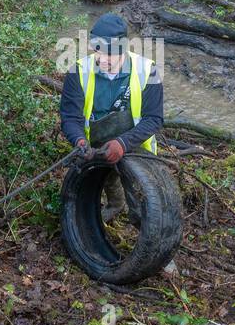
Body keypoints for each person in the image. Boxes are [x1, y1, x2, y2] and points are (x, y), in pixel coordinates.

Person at [59, 13, 164, 221]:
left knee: (140, 197)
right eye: (99, 51)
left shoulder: (148, 70)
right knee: (106, 180)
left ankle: (137, 216)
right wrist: (79, 140)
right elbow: (70, 118)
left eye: (111, 54)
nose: (103, 59)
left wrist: (123, 144)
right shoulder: (78, 71)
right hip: (96, 145)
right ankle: (116, 204)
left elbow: (154, 119)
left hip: (136, 145)